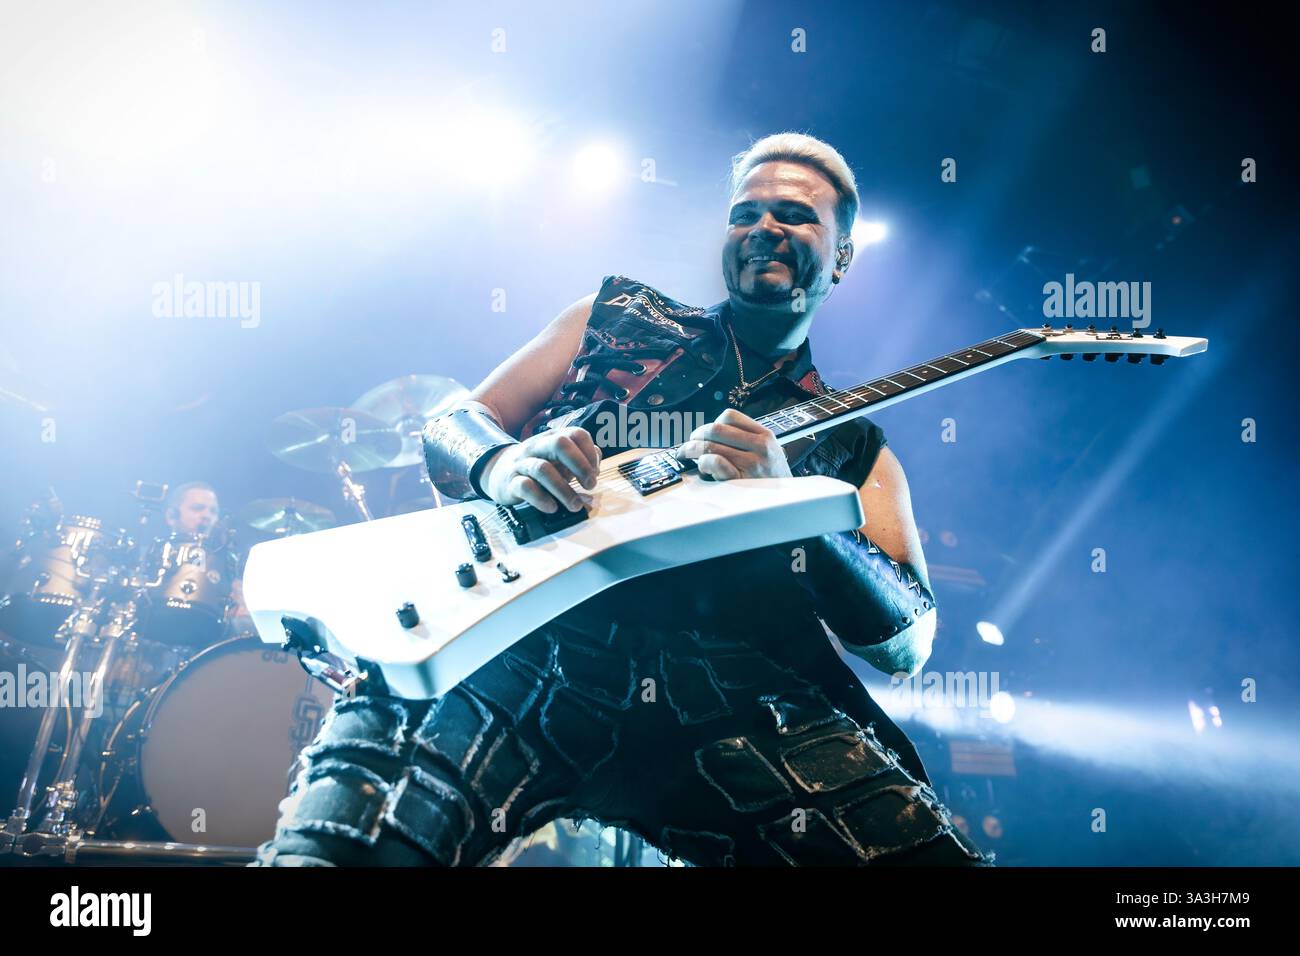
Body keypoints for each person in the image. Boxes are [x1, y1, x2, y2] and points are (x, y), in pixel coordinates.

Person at [255, 132, 990, 866]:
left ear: (843, 255)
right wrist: (504, 463)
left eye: (794, 216)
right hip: (515, 643)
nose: (764, 228)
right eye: (746, 213)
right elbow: (450, 422)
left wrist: (798, 509)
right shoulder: (614, 316)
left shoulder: (855, 445)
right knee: (338, 852)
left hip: (732, 696)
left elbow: (908, 643)